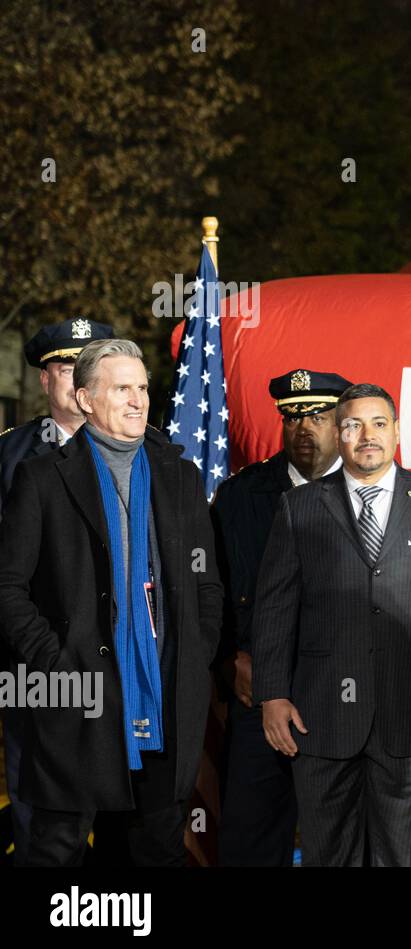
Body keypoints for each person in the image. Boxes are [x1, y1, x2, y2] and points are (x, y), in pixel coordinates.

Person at [0, 338, 223, 866]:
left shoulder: (180, 476)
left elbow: (206, 583)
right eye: (122, 389)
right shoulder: (41, 478)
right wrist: (56, 663)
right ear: (84, 399)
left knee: (152, 853)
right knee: (57, 852)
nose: (137, 400)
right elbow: (8, 588)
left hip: (166, 697)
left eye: (143, 388)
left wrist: (195, 652)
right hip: (74, 701)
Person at [252, 383, 411, 866]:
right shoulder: (299, 507)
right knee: (327, 855)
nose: (367, 436)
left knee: (402, 857)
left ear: (398, 431)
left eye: (378, 423)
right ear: (338, 436)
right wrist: (271, 694)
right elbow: (275, 608)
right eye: (353, 425)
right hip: (320, 718)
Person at [210, 368, 351, 866]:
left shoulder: (375, 493)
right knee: (250, 842)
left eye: (317, 415)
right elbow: (212, 593)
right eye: (292, 417)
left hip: (345, 700)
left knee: (341, 843)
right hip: (258, 697)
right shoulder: (239, 497)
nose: (304, 428)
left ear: (341, 423)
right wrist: (228, 660)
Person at [0, 317, 115, 865]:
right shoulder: (9, 456)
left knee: (124, 804)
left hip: (120, 660)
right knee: (34, 803)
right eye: (64, 367)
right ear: (45, 380)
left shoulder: (145, 450)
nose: (75, 380)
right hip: (33, 663)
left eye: (85, 367)